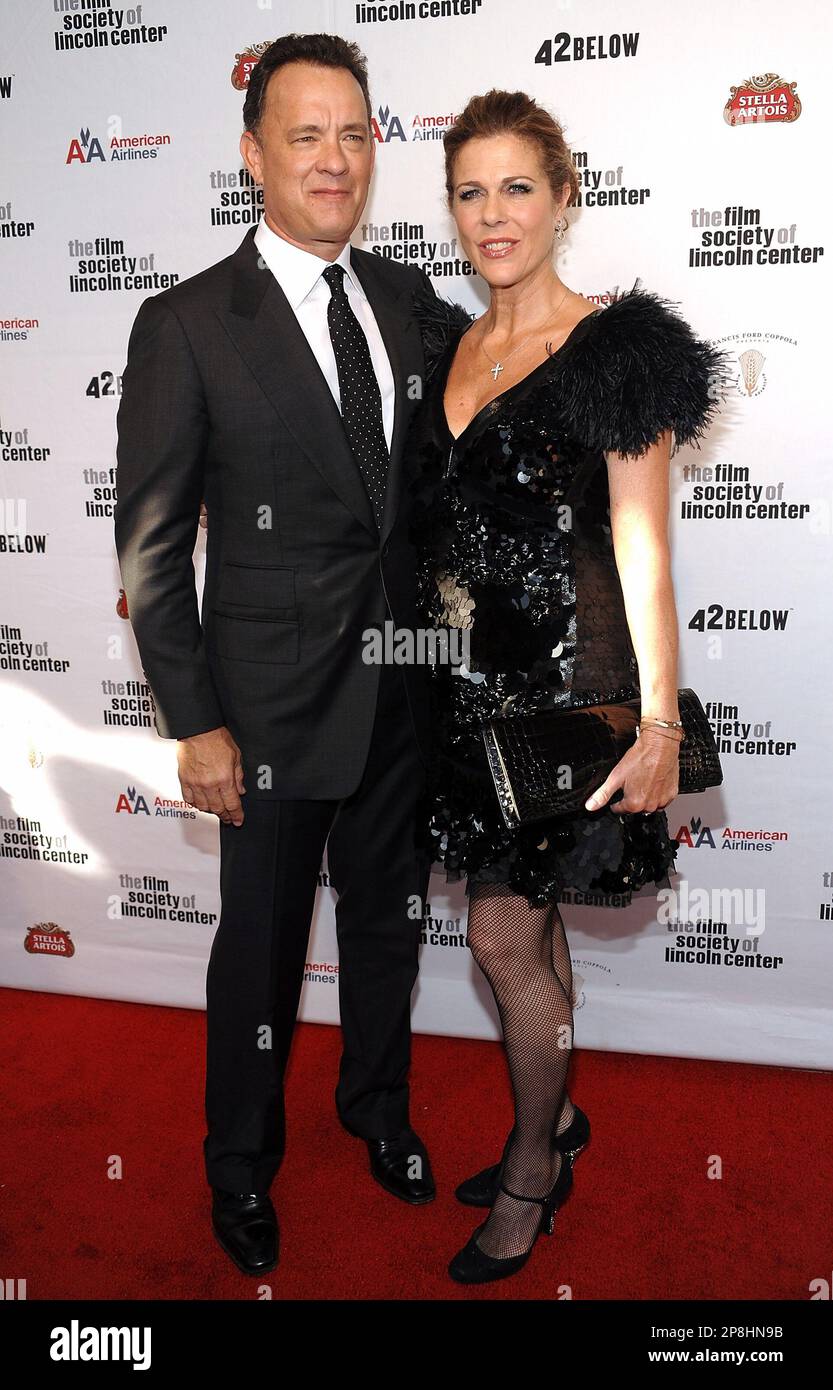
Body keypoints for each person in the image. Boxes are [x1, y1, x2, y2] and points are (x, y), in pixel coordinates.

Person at [114, 33, 440, 1277]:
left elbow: (505, 386)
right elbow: (148, 547)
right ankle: (238, 1165)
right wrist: (194, 721)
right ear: (252, 154)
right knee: (254, 954)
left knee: (388, 928)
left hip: (402, 693)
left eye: (354, 133)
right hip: (262, 715)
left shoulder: (404, 300)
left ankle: (377, 1109)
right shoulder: (189, 323)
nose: (334, 158)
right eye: (305, 133)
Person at [405, 89, 732, 1284]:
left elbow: (644, 549)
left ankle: (535, 1166)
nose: (492, 215)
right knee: (524, 937)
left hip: (569, 699)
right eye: (468, 191)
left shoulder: (615, 349)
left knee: (498, 936)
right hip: (462, 700)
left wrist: (653, 721)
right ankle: (557, 1115)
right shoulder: (447, 347)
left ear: (564, 197)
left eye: (516, 188)